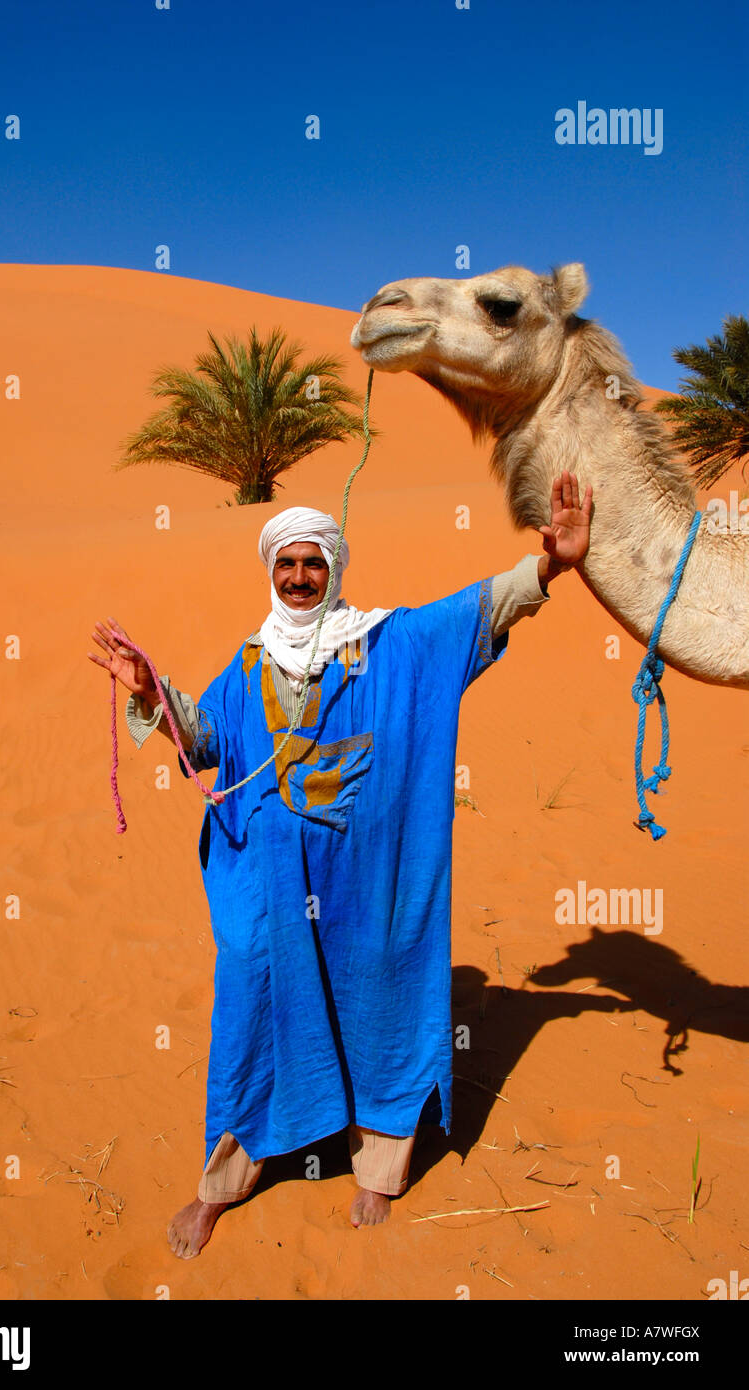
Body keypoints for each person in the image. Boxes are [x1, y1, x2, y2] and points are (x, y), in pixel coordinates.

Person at [88, 471, 592, 1259]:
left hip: (366, 874)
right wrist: (152, 692)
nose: (298, 577)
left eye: (312, 563)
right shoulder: (250, 661)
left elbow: (476, 611)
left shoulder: (389, 643)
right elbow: (210, 739)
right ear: (271, 572)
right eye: (285, 563)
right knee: (249, 998)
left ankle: (378, 1166)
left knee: (380, 987)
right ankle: (227, 1178)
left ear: (333, 568)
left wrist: (551, 566)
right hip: (275, 881)